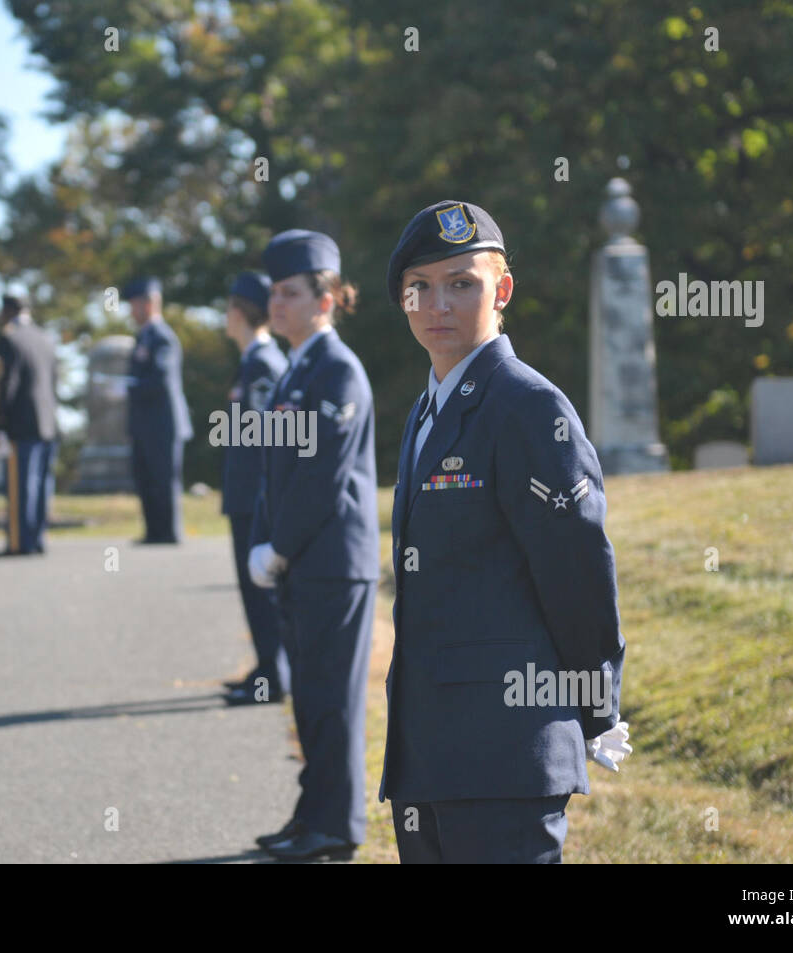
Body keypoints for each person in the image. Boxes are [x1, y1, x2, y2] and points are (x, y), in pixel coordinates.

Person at [379, 199, 632, 864]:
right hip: (430, 755)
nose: (439, 304)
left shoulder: (527, 405)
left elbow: (576, 568)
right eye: (421, 287)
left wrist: (596, 703)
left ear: (502, 290)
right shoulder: (425, 411)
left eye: (462, 283)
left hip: (505, 754)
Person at [247, 230, 380, 861]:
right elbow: (276, 475)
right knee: (311, 701)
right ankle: (312, 816)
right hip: (304, 560)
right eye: (273, 292)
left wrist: (277, 547)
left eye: (290, 293)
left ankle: (338, 825)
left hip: (331, 564)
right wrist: (265, 539)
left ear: (325, 300)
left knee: (333, 703)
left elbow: (323, 476)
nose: (277, 304)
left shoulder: (337, 371)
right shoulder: (294, 370)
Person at [219, 272, 290, 706]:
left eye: (228, 308)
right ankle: (265, 669)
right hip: (245, 494)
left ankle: (272, 678)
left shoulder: (263, 364)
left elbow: (269, 439)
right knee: (251, 590)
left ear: (241, 312)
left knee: (261, 593)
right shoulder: (253, 362)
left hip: (256, 496)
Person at [122, 276, 193, 544]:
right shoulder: (143, 337)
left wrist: (128, 387)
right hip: (144, 423)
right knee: (145, 479)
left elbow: (162, 378)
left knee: (164, 480)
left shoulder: (163, 337)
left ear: (150, 304)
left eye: (135, 304)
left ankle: (169, 532)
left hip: (163, 423)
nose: (131, 311)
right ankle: (154, 531)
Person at [0, 294, 59, 556]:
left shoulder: (10, 338)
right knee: (41, 484)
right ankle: (37, 538)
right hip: (48, 422)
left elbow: (8, 383)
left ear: (8, 311)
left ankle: (20, 541)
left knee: (20, 485)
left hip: (22, 422)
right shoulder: (45, 338)